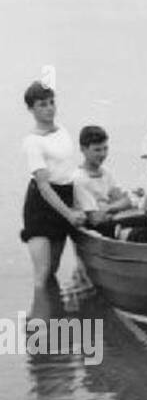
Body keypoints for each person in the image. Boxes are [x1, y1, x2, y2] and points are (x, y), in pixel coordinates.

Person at [19, 81, 87, 287]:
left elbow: (69, 171)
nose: (49, 108)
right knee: (42, 272)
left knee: (53, 268)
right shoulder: (32, 142)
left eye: (51, 102)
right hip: (41, 204)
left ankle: (51, 306)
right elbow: (43, 186)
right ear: (31, 109)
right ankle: (39, 306)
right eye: (42, 104)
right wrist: (69, 215)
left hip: (65, 196)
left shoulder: (62, 131)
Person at [72, 125, 135, 236]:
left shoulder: (106, 173)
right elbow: (95, 218)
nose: (103, 154)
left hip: (111, 222)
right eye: (97, 150)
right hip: (96, 229)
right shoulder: (79, 178)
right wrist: (117, 207)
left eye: (105, 149)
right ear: (83, 149)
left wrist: (108, 208)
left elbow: (127, 201)